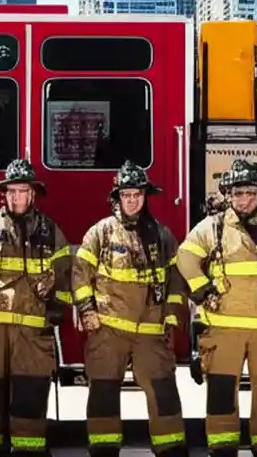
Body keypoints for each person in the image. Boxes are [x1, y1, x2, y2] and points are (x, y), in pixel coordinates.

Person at [176, 159, 257, 457]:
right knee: (221, 392)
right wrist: (201, 289)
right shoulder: (212, 227)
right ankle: (223, 447)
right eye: (237, 193)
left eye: (250, 193)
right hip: (224, 327)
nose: (244, 200)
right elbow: (186, 256)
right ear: (227, 195)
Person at [73, 161, 187, 457]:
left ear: (145, 197)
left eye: (137, 194)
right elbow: (80, 274)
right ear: (117, 198)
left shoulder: (162, 236)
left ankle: (171, 448)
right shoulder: (100, 233)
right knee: (103, 392)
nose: (132, 200)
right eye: (126, 195)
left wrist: (171, 316)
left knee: (163, 391)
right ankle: (104, 449)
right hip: (108, 329)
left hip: (151, 331)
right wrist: (87, 310)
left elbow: (177, 280)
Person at [0, 158, 72, 456]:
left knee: (30, 401)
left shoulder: (50, 231)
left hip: (33, 338)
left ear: (32, 194)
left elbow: (65, 275)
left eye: (23, 191)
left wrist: (57, 307)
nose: (17, 197)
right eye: (11, 191)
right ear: (4, 194)